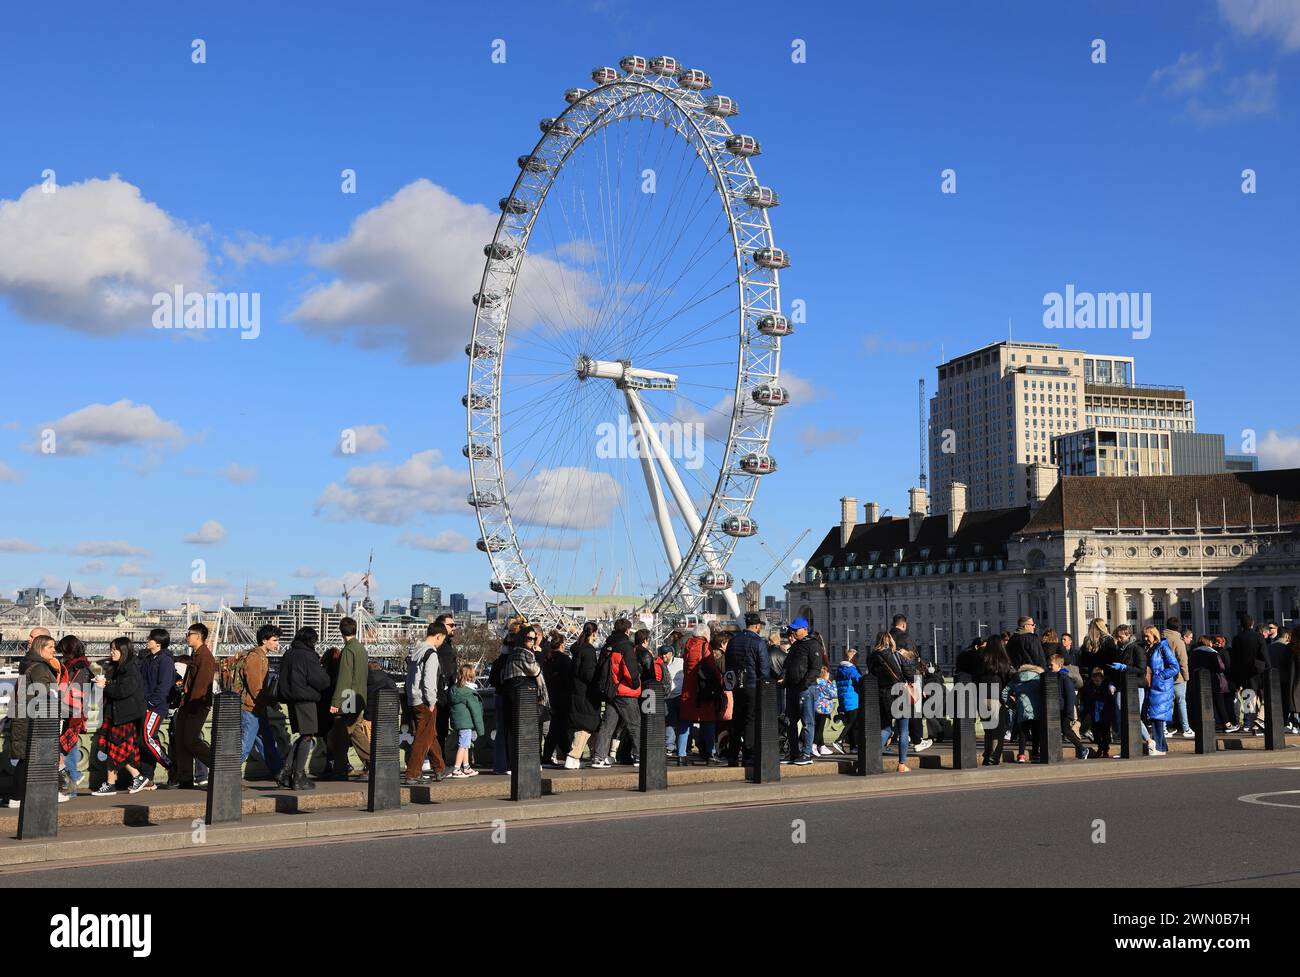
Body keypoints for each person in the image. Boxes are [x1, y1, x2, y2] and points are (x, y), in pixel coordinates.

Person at [6, 633, 64, 808]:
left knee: (28, 758)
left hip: (25, 717)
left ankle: (18, 796)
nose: (54, 650)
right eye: (50, 647)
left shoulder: (28, 664)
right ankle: (20, 796)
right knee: (33, 758)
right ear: (40, 648)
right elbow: (45, 693)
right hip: (34, 719)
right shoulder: (40, 667)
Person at [92, 637, 151, 794]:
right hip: (115, 713)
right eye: (111, 649)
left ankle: (136, 777)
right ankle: (112, 783)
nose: (112, 652)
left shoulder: (131, 668)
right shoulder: (117, 667)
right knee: (113, 747)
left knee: (117, 748)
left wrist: (105, 686)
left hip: (126, 714)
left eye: (115, 649)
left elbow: (124, 691)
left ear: (124, 651)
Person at [227, 624, 285, 782]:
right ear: (264, 640)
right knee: (244, 747)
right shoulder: (255, 657)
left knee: (268, 744)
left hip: (258, 708)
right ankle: (224, 777)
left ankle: (280, 774)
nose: (277, 644)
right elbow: (255, 688)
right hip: (250, 709)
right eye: (274, 640)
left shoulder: (261, 657)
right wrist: (270, 702)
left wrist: (269, 703)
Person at [277, 626, 330, 789]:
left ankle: (285, 772)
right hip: (305, 700)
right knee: (308, 737)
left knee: (303, 735)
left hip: (291, 700)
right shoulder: (308, 655)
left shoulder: (288, 653)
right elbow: (321, 680)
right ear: (310, 640)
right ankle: (298, 776)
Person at [591, 620, 641, 769]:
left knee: (607, 725)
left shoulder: (607, 646)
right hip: (625, 691)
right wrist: (636, 683)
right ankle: (639, 756)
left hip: (611, 691)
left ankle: (598, 757)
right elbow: (629, 669)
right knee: (635, 725)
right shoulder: (625, 646)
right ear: (627, 630)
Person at [403, 622, 448, 786]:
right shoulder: (431, 654)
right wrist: (432, 701)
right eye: (442, 639)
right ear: (439, 636)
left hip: (413, 698)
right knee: (423, 738)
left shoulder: (416, 650)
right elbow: (429, 681)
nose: (441, 642)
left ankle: (439, 768)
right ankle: (412, 773)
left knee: (429, 734)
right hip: (424, 700)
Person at [723, 611, 771, 767]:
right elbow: (764, 670)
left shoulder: (733, 641)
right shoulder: (759, 643)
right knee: (750, 721)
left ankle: (732, 755)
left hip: (737, 686)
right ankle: (748, 755)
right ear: (757, 626)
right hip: (753, 686)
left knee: (736, 720)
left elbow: (728, 665)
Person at [171, 623, 215, 789]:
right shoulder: (197, 655)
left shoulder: (205, 657)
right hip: (187, 704)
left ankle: (218, 766)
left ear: (198, 636)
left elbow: (202, 685)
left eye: (189, 633)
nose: (186, 636)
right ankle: (185, 778)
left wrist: (192, 704)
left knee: (190, 740)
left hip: (196, 705)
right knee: (182, 741)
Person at [328, 617, 370, 780]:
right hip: (360, 697)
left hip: (348, 699)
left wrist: (335, 703)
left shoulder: (347, 651)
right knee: (355, 732)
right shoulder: (361, 649)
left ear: (341, 632)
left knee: (339, 736)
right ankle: (373, 762)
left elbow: (344, 679)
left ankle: (340, 771)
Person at [866, 631, 913, 772]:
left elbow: (872, 675)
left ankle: (872, 758)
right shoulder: (896, 654)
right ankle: (902, 764)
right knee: (904, 730)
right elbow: (909, 674)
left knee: (886, 728)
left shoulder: (871, 657)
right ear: (890, 640)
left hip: (882, 694)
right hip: (899, 693)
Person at [678, 623, 722, 764]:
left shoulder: (687, 645)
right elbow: (711, 668)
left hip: (688, 688)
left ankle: (681, 755)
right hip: (702, 690)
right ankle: (711, 753)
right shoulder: (704, 646)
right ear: (705, 634)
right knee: (708, 721)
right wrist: (719, 680)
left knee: (685, 721)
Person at [138, 628, 176, 787]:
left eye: (150, 638)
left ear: (158, 643)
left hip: (156, 706)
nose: (148, 640)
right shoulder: (148, 659)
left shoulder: (165, 660)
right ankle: (147, 776)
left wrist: (151, 704)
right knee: (143, 740)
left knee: (147, 737)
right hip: (145, 704)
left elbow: (165, 686)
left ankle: (170, 766)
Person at [56, 635, 92, 800]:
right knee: (68, 748)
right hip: (72, 712)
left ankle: (72, 783)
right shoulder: (77, 665)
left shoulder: (78, 667)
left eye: (63, 650)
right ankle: (71, 787)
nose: (62, 653)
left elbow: (77, 693)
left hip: (71, 714)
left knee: (66, 750)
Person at [783, 618, 821, 765]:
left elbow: (816, 667)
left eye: (796, 629)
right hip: (793, 687)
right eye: (792, 629)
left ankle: (806, 753)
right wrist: (784, 679)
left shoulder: (813, 644)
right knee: (790, 721)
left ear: (805, 629)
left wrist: (805, 683)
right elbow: (788, 665)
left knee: (807, 721)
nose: (793, 632)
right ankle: (794, 752)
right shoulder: (796, 645)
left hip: (805, 689)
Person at [564, 622, 601, 769]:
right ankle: (573, 756)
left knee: (593, 725)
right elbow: (588, 674)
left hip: (576, 691)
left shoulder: (577, 649)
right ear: (594, 633)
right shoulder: (589, 650)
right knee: (587, 725)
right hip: (586, 693)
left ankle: (598, 755)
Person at [1144, 625, 1180, 756]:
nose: (1145, 638)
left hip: (1161, 687)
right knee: (1154, 716)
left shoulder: (1162, 647)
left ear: (1154, 635)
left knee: (1157, 717)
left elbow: (1174, 667)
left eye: (1147, 636)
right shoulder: (1149, 648)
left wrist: (1160, 676)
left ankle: (1159, 746)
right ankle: (1162, 746)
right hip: (1152, 686)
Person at [976, 635, 1013, 764]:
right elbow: (1009, 679)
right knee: (998, 730)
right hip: (996, 698)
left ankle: (987, 756)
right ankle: (994, 757)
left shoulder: (981, 659)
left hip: (981, 698)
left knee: (988, 730)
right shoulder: (1003, 661)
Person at [1229, 615, 1268, 731]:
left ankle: (1249, 723)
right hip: (1258, 671)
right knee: (1265, 697)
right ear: (1252, 624)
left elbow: (1235, 659)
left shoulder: (1236, 638)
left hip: (1243, 673)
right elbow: (1264, 654)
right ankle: (1259, 720)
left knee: (1248, 700)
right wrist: (1269, 667)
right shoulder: (1258, 637)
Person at [540, 633, 573, 767]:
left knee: (558, 727)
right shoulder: (565, 660)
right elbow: (570, 680)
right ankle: (560, 755)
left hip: (550, 697)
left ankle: (565, 754)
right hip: (563, 697)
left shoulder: (546, 659)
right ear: (561, 645)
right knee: (558, 728)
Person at [1048, 653, 1089, 759]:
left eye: (1051, 665)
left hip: (1065, 710)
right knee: (1063, 730)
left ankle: (1083, 748)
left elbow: (1070, 696)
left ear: (1059, 665)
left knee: (1066, 731)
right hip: (1058, 709)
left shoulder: (1065, 678)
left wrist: (1069, 712)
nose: (1049, 667)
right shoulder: (1055, 677)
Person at [1002, 659, 1043, 763]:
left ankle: (1021, 755)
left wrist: (1013, 705)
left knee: (1023, 733)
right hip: (1037, 708)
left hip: (1022, 709)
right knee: (1036, 732)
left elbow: (1004, 693)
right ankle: (1035, 754)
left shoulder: (1016, 678)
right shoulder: (1039, 677)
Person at [1190, 634, 1233, 731]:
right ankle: (1227, 724)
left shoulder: (1193, 652)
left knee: (1203, 704)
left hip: (1197, 681)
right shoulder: (1212, 652)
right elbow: (1221, 667)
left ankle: (1206, 724)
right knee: (1219, 703)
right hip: (1213, 680)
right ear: (1208, 642)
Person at [449, 664, 484, 778]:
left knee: (465, 744)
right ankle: (457, 768)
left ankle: (466, 767)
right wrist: (480, 729)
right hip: (466, 722)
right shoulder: (468, 692)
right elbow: (476, 712)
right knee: (463, 745)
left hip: (459, 721)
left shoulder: (456, 689)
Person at [432, 612, 459, 760]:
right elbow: (448, 674)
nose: (454, 628)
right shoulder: (444, 649)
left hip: (441, 694)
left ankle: (437, 761)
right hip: (441, 696)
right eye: (451, 625)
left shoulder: (445, 646)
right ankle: (438, 761)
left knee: (439, 730)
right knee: (439, 730)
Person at [1162, 616, 1193, 739]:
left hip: (1163, 675)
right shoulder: (1178, 640)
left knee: (1165, 703)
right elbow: (1183, 660)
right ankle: (1186, 728)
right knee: (1181, 702)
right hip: (1177, 677)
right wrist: (1186, 677)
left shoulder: (1161, 637)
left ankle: (1164, 728)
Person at [1081, 667, 1115, 757]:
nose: (1096, 680)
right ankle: (1100, 747)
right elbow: (1085, 698)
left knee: (1105, 733)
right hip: (1094, 713)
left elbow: (1110, 698)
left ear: (1102, 678)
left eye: (1098, 678)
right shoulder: (1088, 686)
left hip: (1104, 713)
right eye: (1094, 677)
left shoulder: (1106, 685)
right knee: (1096, 733)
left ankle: (1105, 750)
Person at [833, 648, 861, 754]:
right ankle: (839, 740)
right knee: (852, 721)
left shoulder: (840, 668)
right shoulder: (852, 669)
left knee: (852, 723)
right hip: (853, 698)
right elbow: (859, 681)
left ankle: (853, 747)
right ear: (852, 658)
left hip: (843, 699)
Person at [1267, 628, 1295, 732]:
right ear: (1287, 635)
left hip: (1272, 678)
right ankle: (1286, 722)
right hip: (1286, 678)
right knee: (1287, 701)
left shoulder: (1270, 647)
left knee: (1275, 702)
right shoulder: (1287, 647)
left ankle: (1277, 722)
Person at [662, 643, 684, 757]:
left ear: (671, 653)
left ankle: (684, 746)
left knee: (683, 721)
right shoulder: (661, 664)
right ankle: (669, 746)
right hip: (668, 697)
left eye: (665, 654)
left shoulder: (680, 662)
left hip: (680, 695)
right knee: (670, 722)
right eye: (662, 654)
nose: (663, 656)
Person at [813, 665, 836, 755]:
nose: (829, 674)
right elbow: (833, 694)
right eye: (827, 673)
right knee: (820, 728)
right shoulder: (823, 683)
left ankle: (821, 746)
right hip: (824, 707)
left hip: (817, 707)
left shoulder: (816, 682)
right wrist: (832, 684)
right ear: (824, 674)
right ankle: (814, 745)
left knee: (818, 726)